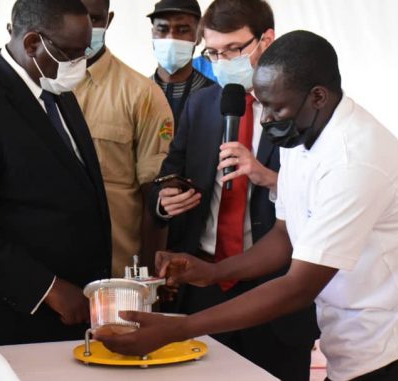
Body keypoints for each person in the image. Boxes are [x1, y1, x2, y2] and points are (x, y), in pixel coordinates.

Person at [98, 30, 398, 381]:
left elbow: (298, 287)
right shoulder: (302, 136)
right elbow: (284, 237)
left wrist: (184, 326)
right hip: (358, 332)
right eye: (262, 105)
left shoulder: (354, 162)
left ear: (318, 96)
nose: (265, 118)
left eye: (275, 107)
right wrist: (211, 272)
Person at [146, 1, 317, 379]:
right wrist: (165, 199)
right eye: (213, 52)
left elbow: (324, 194)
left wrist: (267, 176)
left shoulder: (304, 106)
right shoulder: (203, 102)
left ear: (266, 41)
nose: (222, 62)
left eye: (234, 50)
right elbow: (169, 172)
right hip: (203, 281)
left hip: (275, 288)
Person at [0, 0, 112, 345]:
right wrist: (48, 289)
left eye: (85, 51)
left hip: (76, 310)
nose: (81, 64)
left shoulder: (55, 88)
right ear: (32, 44)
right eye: (72, 53)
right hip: (21, 317)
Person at [74, 0, 173, 277]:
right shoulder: (36, 90)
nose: (82, 28)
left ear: (109, 19)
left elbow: (153, 195)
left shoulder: (142, 95)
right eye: (73, 15)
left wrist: (150, 277)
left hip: (116, 272)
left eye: (93, 19)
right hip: (49, 275)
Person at [147, 0, 214, 128]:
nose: (171, 37)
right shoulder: (138, 94)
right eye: (162, 30)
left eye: (182, 30)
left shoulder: (215, 98)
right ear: (153, 35)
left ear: (198, 36)